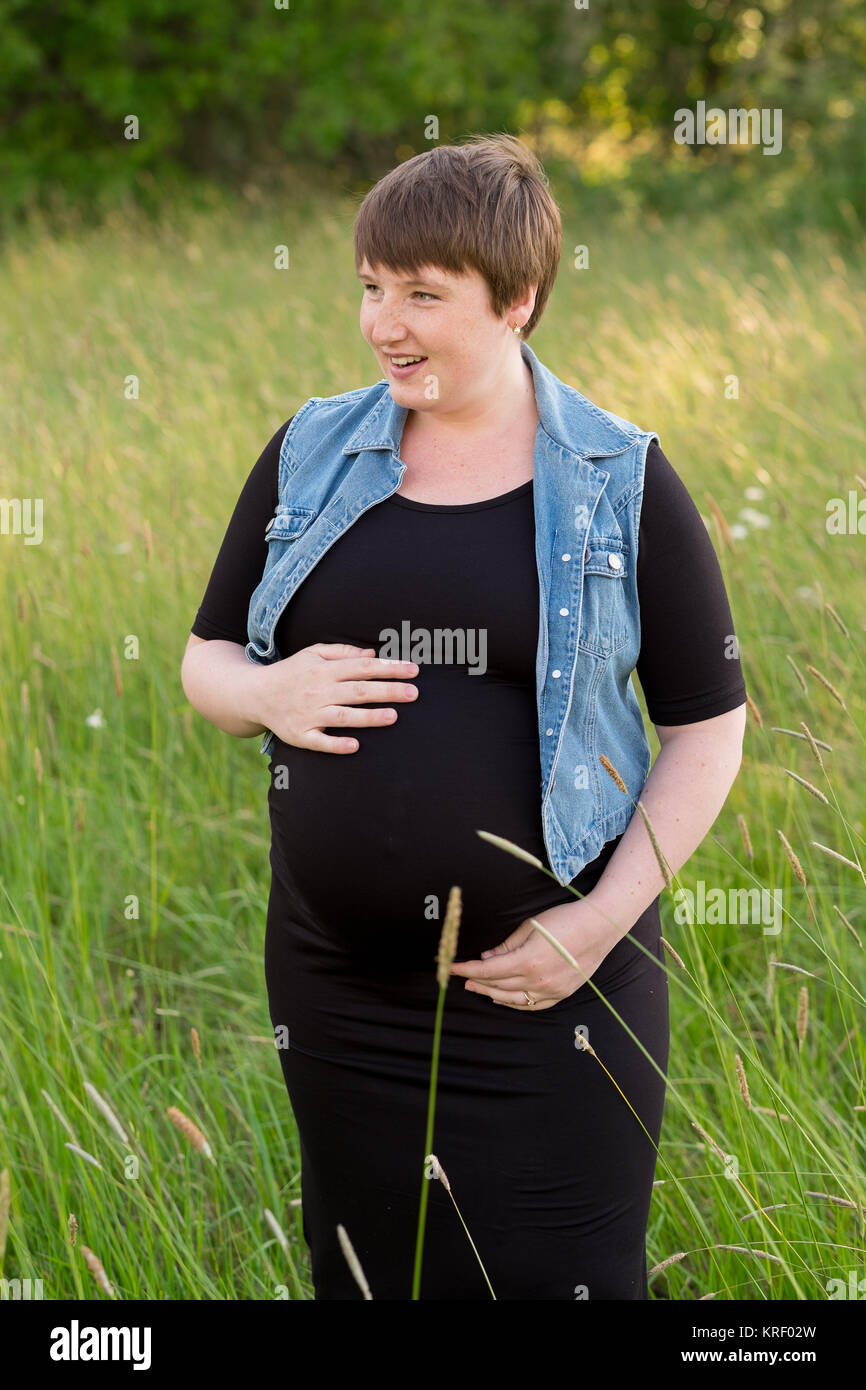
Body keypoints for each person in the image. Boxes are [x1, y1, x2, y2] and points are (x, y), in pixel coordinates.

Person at [180, 133, 747, 1300]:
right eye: (370, 288)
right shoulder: (308, 449)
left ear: (519, 301)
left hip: (551, 991)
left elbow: (707, 723)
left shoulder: (618, 477)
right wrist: (265, 692)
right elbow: (206, 657)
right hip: (336, 984)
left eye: (423, 296)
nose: (384, 323)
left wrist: (589, 929)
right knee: (371, 1278)